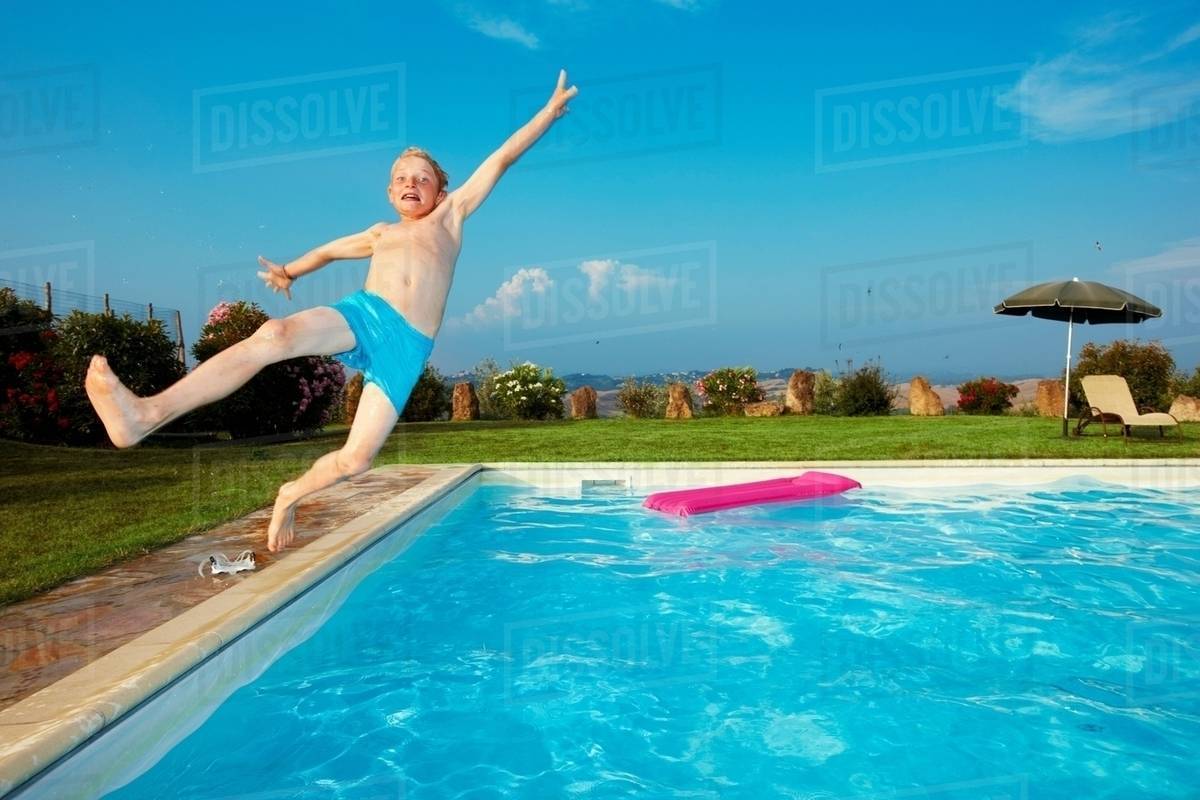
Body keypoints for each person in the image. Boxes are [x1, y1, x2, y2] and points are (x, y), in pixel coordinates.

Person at [85, 69, 580, 552]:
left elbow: (501, 158)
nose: (412, 183)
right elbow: (328, 251)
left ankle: (289, 495)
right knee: (273, 335)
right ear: (390, 192)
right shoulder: (379, 233)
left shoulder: (451, 217)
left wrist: (548, 113)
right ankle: (145, 414)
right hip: (366, 315)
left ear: (441, 191)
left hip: (406, 349)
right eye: (401, 177)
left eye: (423, 178)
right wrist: (291, 271)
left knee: (356, 460)